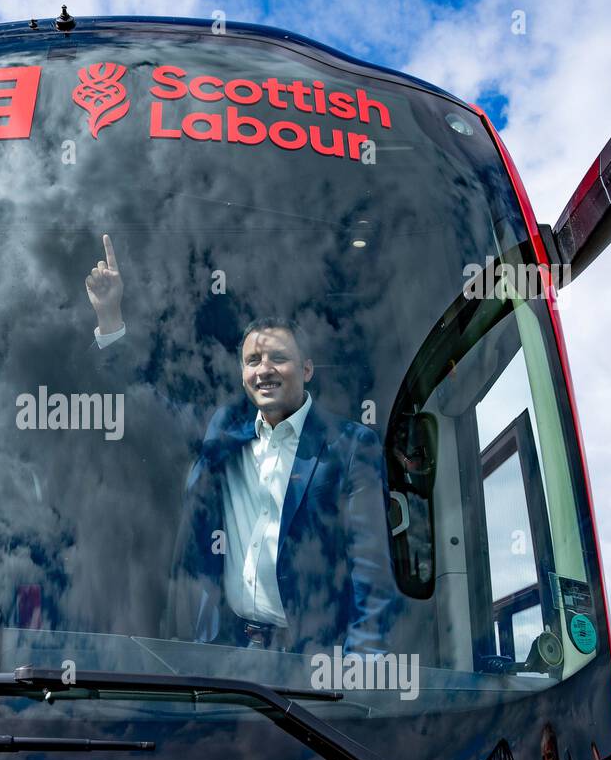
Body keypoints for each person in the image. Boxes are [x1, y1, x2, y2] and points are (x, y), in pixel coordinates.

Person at [84, 234, 397, 653]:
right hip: (229, 652)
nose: (264, 370)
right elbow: (146, 407)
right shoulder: (223, 430)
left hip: (314, 659)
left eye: (278, 359)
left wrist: (364, 666)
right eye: (252, 361)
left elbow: (371, 574)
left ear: (306, 369)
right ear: (242, 374)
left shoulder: (351, 445)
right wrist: (110, 320)